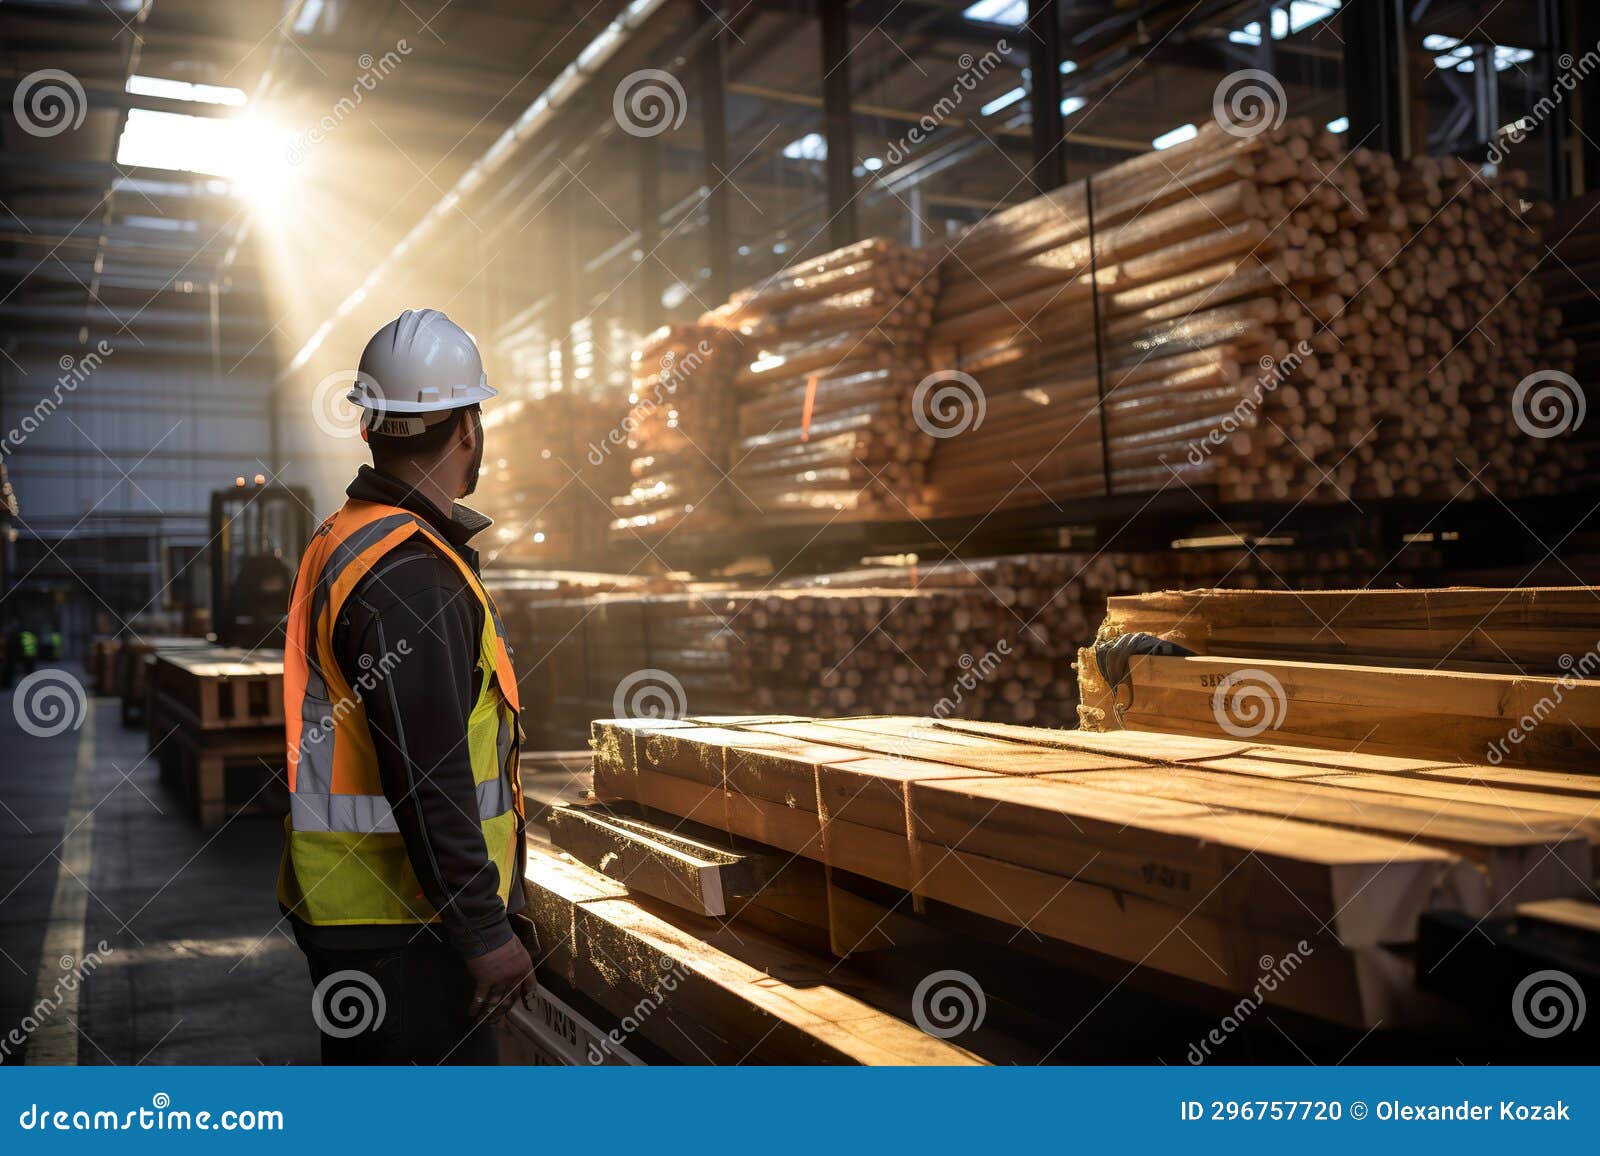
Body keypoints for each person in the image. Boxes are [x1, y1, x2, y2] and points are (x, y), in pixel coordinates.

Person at [278, 308, 535, 1065]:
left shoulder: (350, 537)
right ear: (467, 430)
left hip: (365, 915)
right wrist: (485, 934)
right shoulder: (411, 574)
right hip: (403, 928)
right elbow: (429, 776)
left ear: (368, 428)